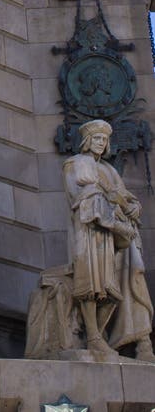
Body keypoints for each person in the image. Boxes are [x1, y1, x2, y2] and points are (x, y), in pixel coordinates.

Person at [63, 119, 154, 361]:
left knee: (110, 288)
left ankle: (102, 335)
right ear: (87, 141)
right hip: (88, 231)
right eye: (97, 139)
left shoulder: (109, 170)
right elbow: (82, 197)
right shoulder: (76, 163)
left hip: (111, 235)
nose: (101, 143)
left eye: (104, 140)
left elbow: (125, 196)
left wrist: (133, 208)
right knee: (91, 284)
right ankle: (93, 336)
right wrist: (115, 211)